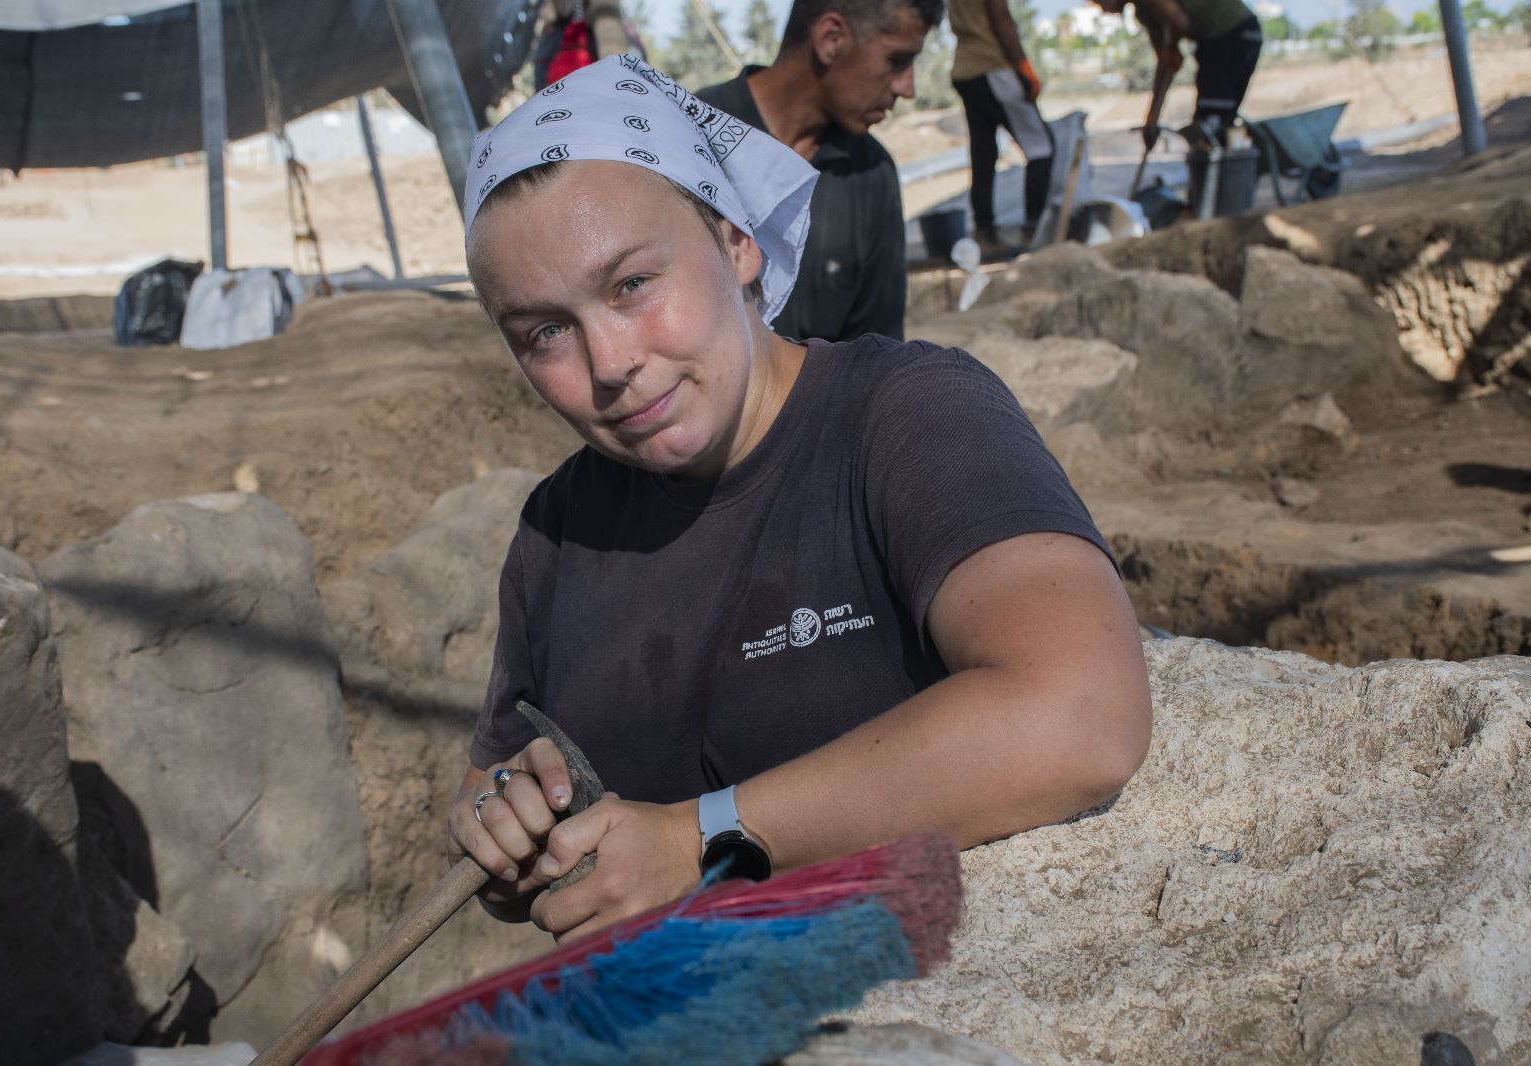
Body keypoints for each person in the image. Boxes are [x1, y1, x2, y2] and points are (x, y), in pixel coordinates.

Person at [448, 55, 1152, 944]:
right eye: (545, 331)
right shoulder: (558, 534)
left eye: (631, 285)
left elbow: (1080, 712)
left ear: (737, 239)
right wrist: (504, 825)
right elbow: (494, 781)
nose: (610, 362)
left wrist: (699, 841)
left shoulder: (905, 420)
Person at [692, 0, 945, 343]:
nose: (908, 88)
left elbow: (873, 358)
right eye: (897, 60)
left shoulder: (871, 175)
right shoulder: (689, 138)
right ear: (831, 39)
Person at [949, 0, 1053, 258]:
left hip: (965, 69)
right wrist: (1023, 66)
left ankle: (984, 230)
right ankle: (1035, 231)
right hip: (992, 65)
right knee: (1041, 146)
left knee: (983, 151)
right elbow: (1000, 15)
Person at [1092, 0, 1262, 149]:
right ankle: (1222, 177)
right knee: (1217, 124)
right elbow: (1167, 64)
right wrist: (1152, 119)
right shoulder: (1144, 12)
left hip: (1231, 36)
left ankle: (1221, 179)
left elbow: (1179, 21)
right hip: (1233, 38)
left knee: (1211, 126)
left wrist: (1171, 47)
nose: (1102, 9)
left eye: (1099, 1)